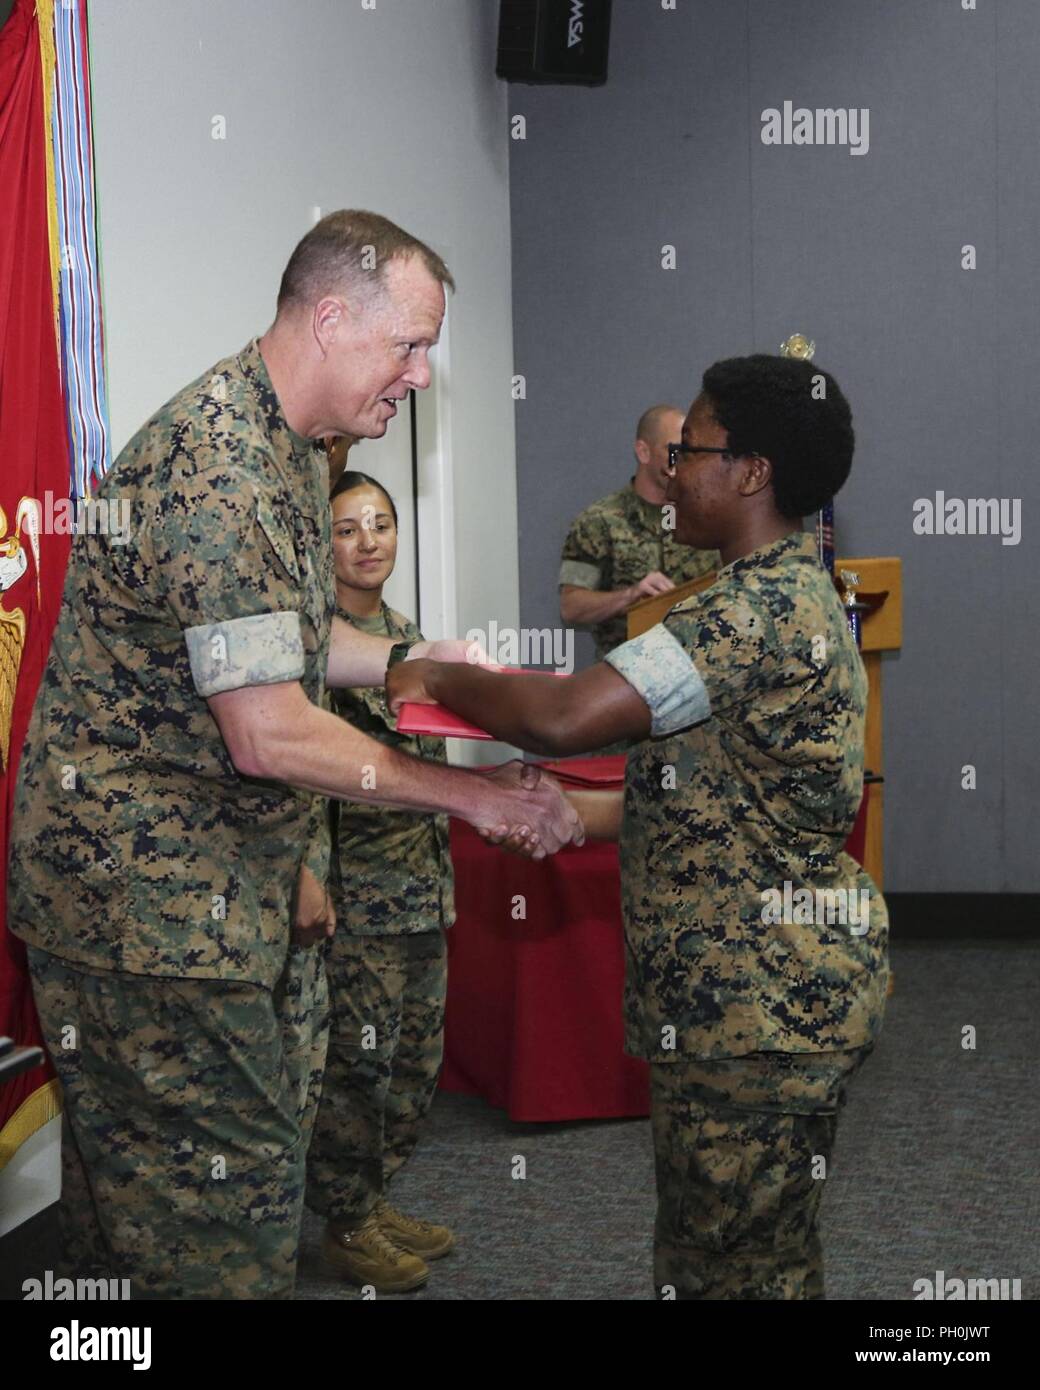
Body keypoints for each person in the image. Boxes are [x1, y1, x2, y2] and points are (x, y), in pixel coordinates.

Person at [7, 209, 582, 1301]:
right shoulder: (222, 466)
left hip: (201, 898)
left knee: (126, 1234)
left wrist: (412, 661)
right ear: (329, 318)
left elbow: (281, 634)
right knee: (221, 1236)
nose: (419, 374)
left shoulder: (285, 447)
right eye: (407, 344)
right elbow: (267, 726)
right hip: (146, 916)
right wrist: (469, 798)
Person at [388, 354, 889, 1300]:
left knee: (732, 1268)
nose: (670, 472)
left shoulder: (752, 609)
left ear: (751, 471)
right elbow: (722, 796)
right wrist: (573, 814)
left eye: (690, 449)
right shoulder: (777, 590)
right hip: (761, 999)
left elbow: (564, 715)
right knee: (746, 1256)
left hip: (757, 1007)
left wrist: (436, 674)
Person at [306, 469, 455, 1294]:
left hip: (422, 892)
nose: (368, 542)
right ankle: (347, 1221)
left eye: (382, 525)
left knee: (412, 1063)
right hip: (355, 899)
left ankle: (375, 1196)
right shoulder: (313, 652)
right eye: (347, 528)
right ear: (321, 545)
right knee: (354, 1073)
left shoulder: (407, 639)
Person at [559, 404, 719, 663]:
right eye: (673, 451)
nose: (679, 462)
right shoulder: (600, 521)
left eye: (686, 453)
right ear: (643, 452)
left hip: (698, 674)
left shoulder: (705, 518)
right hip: (625, 676)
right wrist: (632, 595)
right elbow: (571, 606)